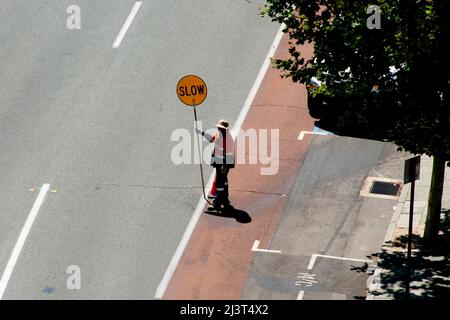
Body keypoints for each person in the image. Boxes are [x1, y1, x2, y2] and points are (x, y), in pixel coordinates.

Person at [196, 119, 235, 212]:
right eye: (218, 127)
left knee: (220, 184)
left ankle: (216, 203)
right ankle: (225, 201)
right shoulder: (220, 135)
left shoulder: (227, 139)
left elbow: (228, 153)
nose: (218, 129)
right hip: (219, 162)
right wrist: (201, 133)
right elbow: (211, 139)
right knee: (224, 182)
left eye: (220, 128)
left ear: (224, 129)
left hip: (223, 163)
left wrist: (224, 166)